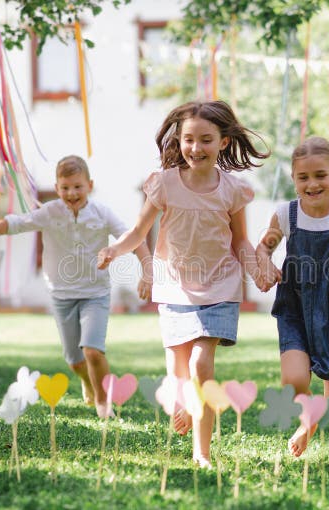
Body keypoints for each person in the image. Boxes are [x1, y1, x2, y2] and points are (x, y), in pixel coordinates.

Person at [97, 100, 273, 468]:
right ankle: (184, 400)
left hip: (221, 287)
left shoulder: (232, 190)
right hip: (175, 287)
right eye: (189, 139)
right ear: (179, 140)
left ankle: (201, 452)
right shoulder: (164, 184)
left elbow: (240, 241)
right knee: (179, 374)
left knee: (200, 365)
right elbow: (139, 231)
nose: (196, 148)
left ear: (224, 142)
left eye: (206, 140)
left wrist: (256, 268)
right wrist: (115, 249)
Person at [0, 155, 151, 419]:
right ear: (58, 188)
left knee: (92, 350)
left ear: (89, 185)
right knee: (75, 360)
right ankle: (87, 380)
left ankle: (104, 406)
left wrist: (147, 270)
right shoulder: (50, 212)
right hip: (62, 296)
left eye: (78, 187)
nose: (72, 193)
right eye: (65, 187)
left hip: (95, 293)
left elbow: (133, 237)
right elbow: (15, 223)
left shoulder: (102, 213)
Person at [256, 136, 329, 472]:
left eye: (320, 175)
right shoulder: (285, 215)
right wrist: (265, 264)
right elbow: (263, 248)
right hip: (295, 311)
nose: (312, 183)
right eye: (303, 177)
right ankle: (308, 418)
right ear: (294, 179)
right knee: (293, 381)